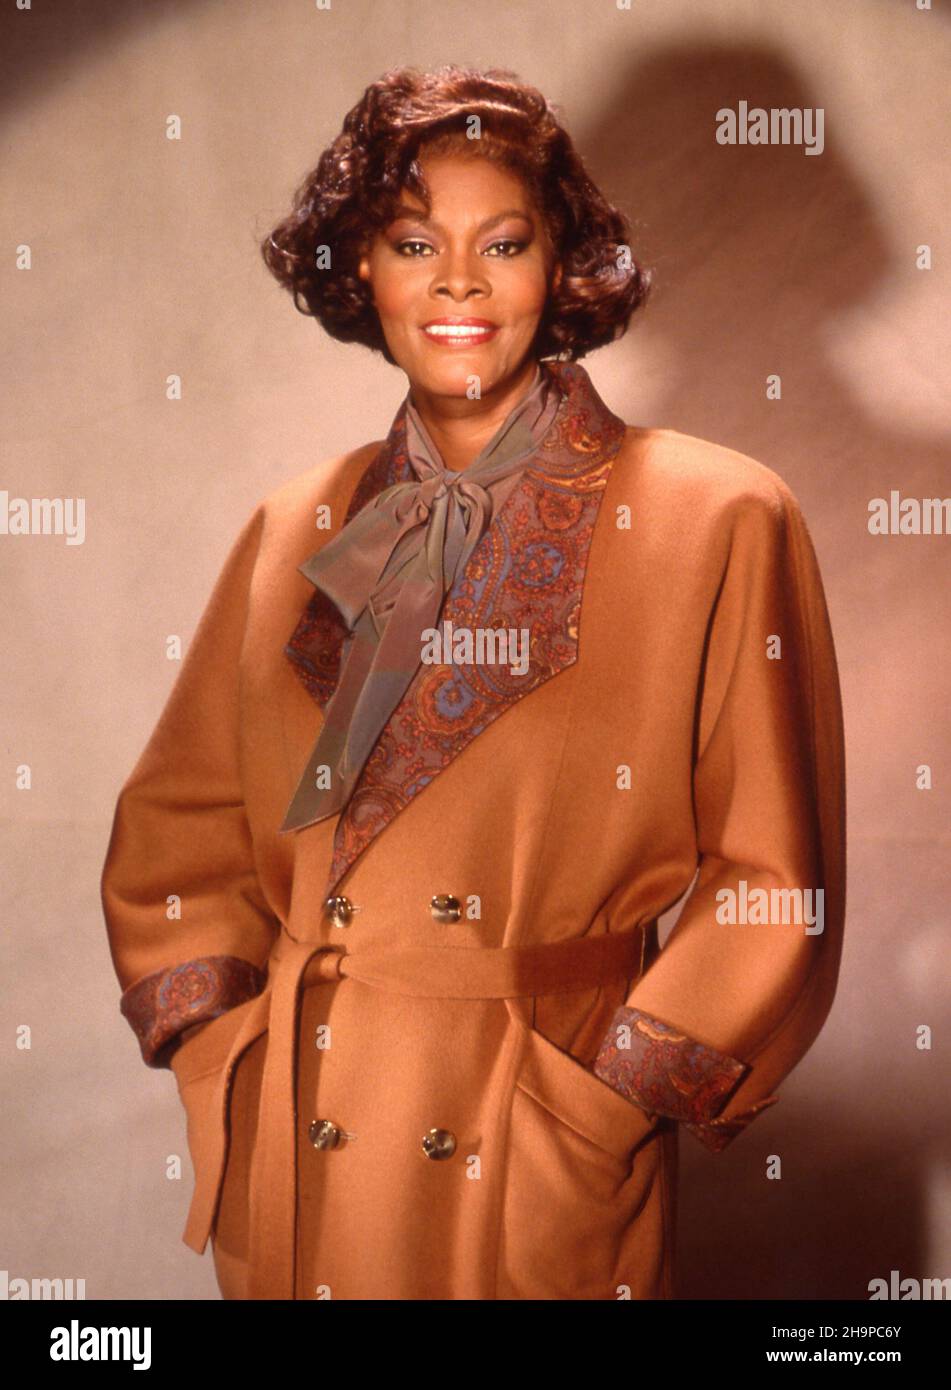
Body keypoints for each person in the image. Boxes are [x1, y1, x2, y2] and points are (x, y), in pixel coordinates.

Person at [100, 64, 846, 1301]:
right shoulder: (296, 525)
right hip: (308, 1146)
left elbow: (774, 881)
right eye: (409, 242)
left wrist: (602, 1109)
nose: (456, 282)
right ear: (362, 275)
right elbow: (180, 830)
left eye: (503, 241)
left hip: (526, 1144)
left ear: (563, 266)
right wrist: (225, 1050)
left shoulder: (718, 516)